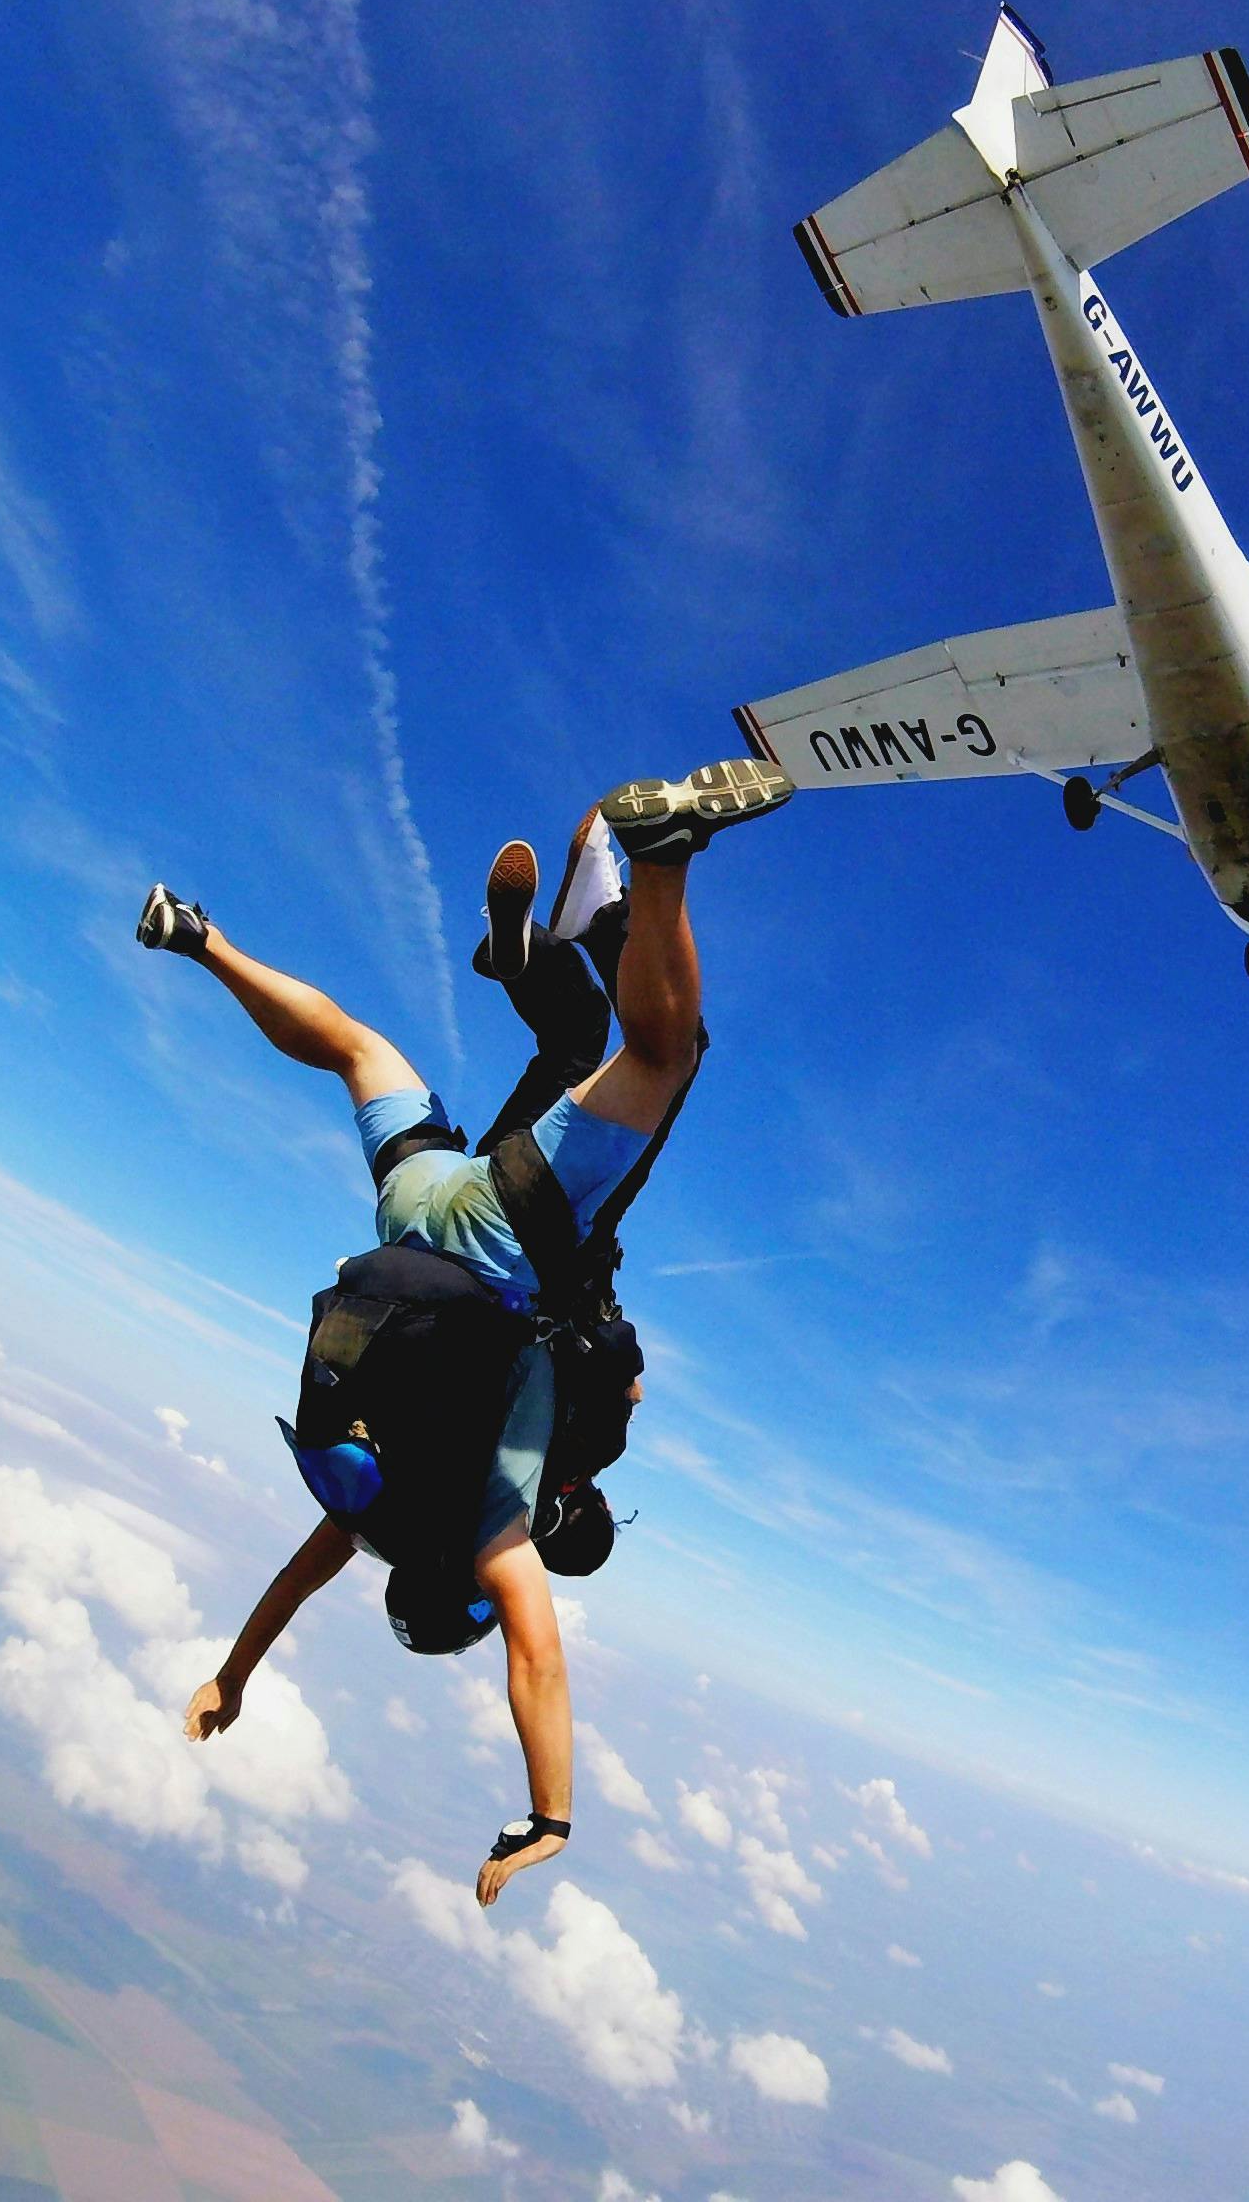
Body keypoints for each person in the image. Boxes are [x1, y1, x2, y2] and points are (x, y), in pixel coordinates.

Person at [152, 761, 789, 1906]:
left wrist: (550, 1815)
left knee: (665, 1057)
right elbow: (290, 1589)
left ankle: (661, 862)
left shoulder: (491, 1523)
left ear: (471, 1596)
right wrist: (230, 1678)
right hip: (416, 1206)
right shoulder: (365, 1511)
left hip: (505, 1228)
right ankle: (201, 940)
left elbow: (537, 1660)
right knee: (357, 1050)